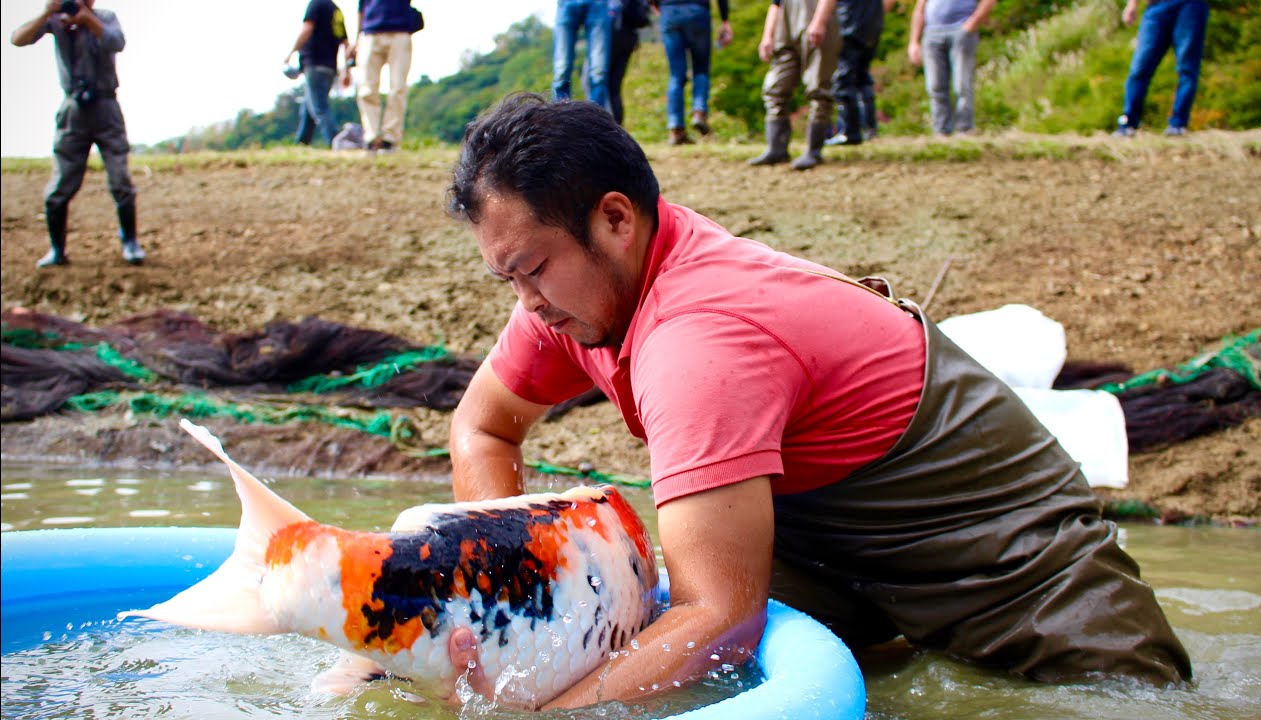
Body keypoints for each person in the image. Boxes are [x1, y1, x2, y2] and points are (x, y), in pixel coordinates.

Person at [441, 94, 1193, 708]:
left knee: (1130, 702)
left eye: (533, 269)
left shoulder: (699, 340)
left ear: (615, 219)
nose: (526, 304)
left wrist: (544, 711)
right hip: (829, 553)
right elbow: (482, 429)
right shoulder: (568, 297)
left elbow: (721, 621)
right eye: (506, 277)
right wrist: (511, 589)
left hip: (1012, 571)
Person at [10, 0, 144, 268]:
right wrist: (47, 13)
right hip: (73, 109)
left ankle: (130, 242)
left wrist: (88, 21)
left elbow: (117, 42)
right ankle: (57, 249)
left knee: (120, 179)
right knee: (61, 185)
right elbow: (18, 39)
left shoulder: (105, 17)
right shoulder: (54, 21)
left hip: (106, 106)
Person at [747, 0, 841, 170]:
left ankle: (813, 151)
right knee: (776, 87)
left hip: (818, 16)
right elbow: (776, 3)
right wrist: (768, 36)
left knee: (818, 87)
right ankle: (776, 148)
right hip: (786, 23)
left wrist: (819, 21)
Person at [1113, 0, 1209, 137]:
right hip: (1155, 7)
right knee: (1138, 70)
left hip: (1190, 5)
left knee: (1187, 69)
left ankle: (1178, 124)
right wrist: (1132, 5)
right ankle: (1127, 124)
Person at [907, 0, 994, 136]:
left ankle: (964, 129)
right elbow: (919, 10)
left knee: (962, 84)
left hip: (961, 30)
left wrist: (973, 23)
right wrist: (914, 42)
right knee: (935, 86)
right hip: (932, 34)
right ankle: (941, 131)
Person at [656, 0, 733, 145]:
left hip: (669, 11)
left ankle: (676, 129)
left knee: (676, 75)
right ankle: (699, 112)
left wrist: (657, 7)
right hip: (697, 11)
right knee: (701, 70)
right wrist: (725, 20)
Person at [354, 0, 420, 152]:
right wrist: (357, 38)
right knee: (366, 89)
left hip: (400, 31)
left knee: (398, 87)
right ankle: (371, 138)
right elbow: (361, 8)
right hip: (369, 32)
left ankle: (389, 139)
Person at [285, 0, 351, 148]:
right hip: (330, 67)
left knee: (319, 107)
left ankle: (335, 141)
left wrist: (291, 53)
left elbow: (307, 29)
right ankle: (302, 144)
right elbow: (345, 43)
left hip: (315, 63)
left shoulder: (316, 4)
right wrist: (346, 70)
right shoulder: (336, 10)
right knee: (309, 107)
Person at [826, 0, 893, 146]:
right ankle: (869, 129)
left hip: (850, 23)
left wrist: (821, 20)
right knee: (862, 77)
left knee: (844, 78)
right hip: (871, 25)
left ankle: (849, 131)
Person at [582, 0, 652, 125]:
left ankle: (602, 126)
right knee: (614, 87)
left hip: (608, 31)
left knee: (591, 80)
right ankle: (617, 128)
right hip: (628, 35)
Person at [552, 0, 613, 109]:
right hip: (566, 4)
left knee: (598, 74)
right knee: (561, 70)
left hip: (597, 4)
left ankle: (596, 120)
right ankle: (559, 119)